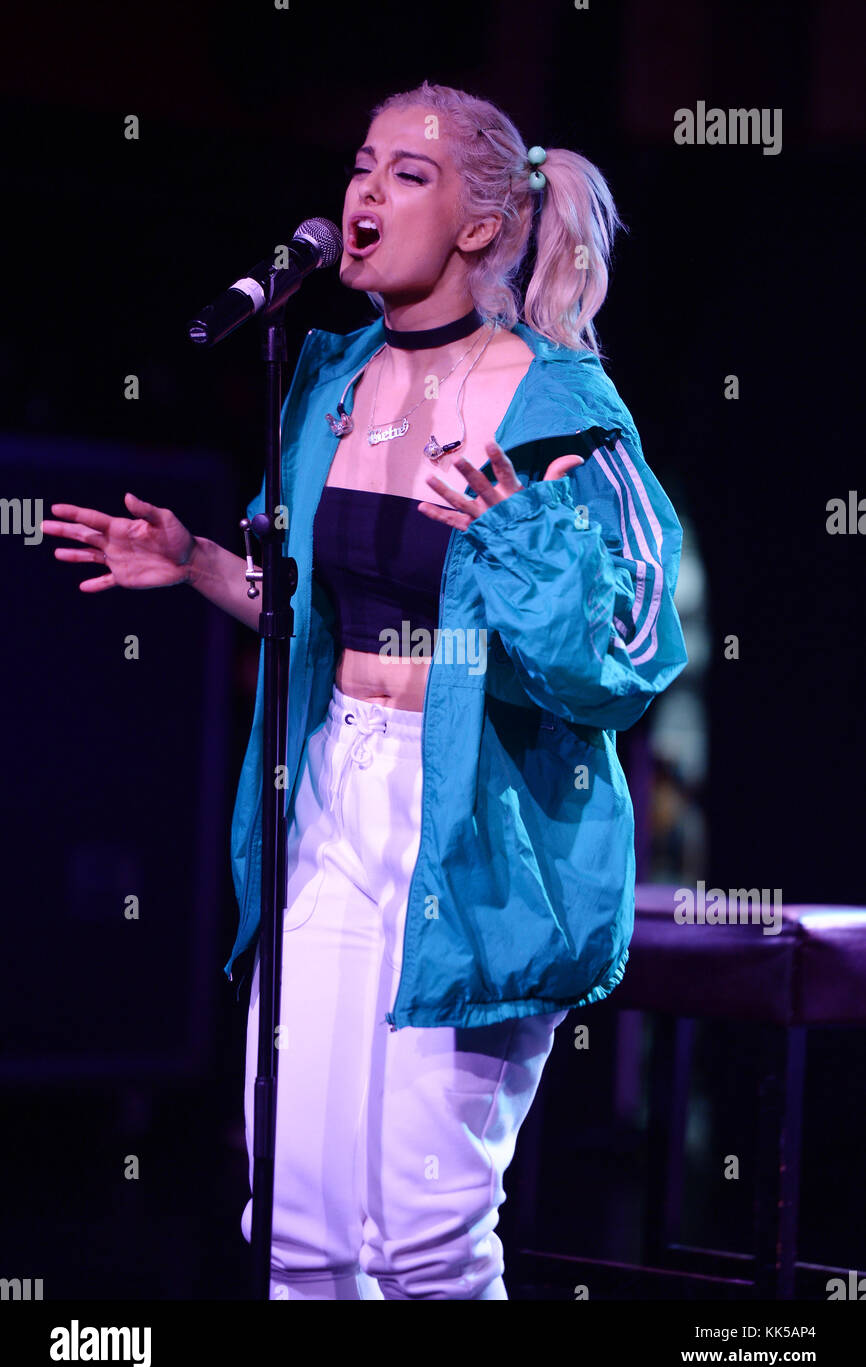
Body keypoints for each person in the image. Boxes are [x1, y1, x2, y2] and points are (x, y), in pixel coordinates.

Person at [42, 81, 688, 1300]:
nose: (363, 192)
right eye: (359, 165)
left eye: (407, 173)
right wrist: (195, 561)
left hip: (479, 825)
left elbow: (625, 656)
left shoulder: (559, 405)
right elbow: (310, 613)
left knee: (426, 1236)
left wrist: (518, 536)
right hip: (337, 788)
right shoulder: (329, 380)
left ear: (481, 225)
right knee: (297, 1220)